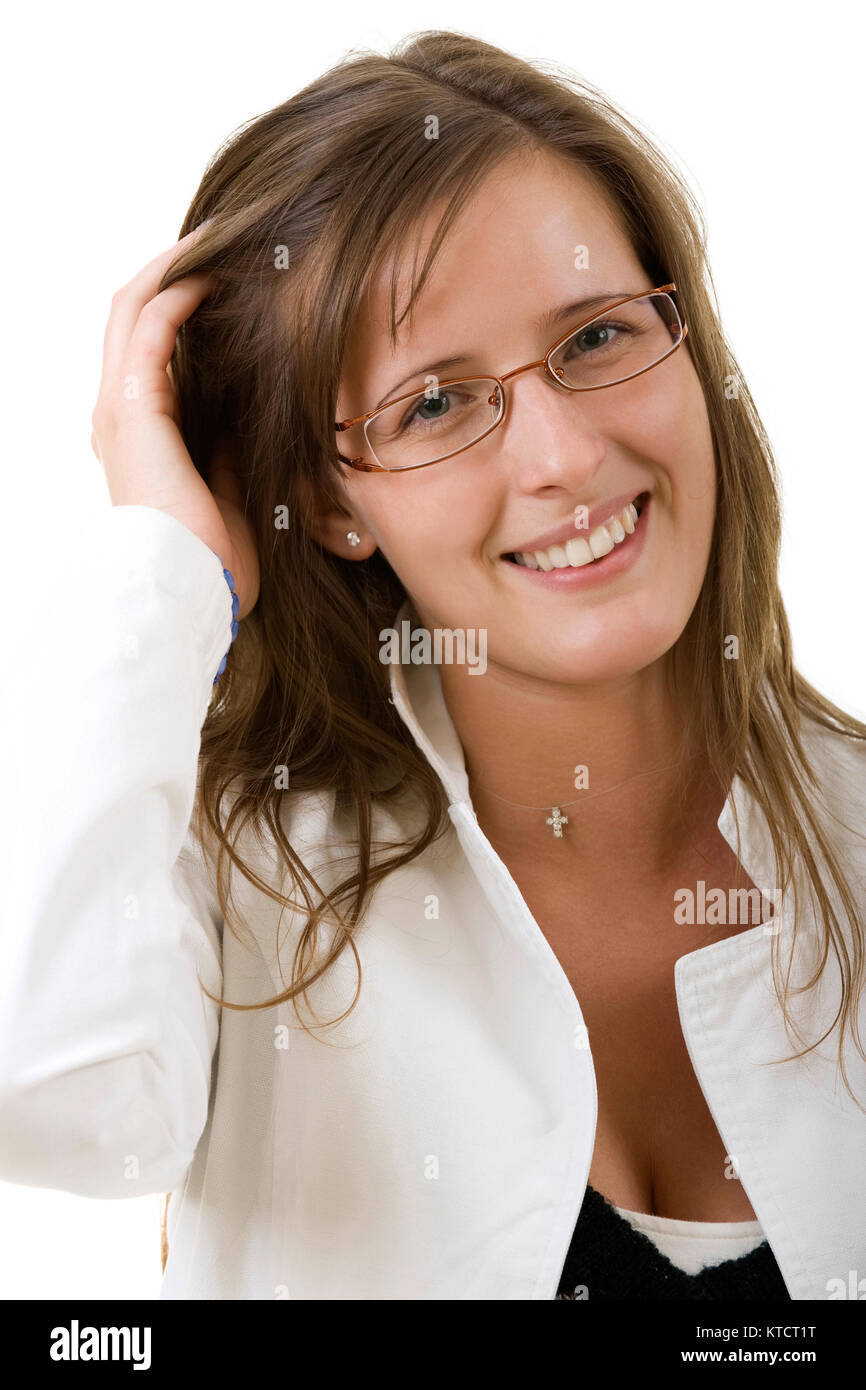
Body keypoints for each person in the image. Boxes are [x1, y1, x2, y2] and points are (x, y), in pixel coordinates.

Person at [3, 30, 865, 1301]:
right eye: (433, 404)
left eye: (595, 337)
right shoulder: (244, 893)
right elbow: (41, 1088)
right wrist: (165, 564)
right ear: (332, 504)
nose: (562, 455)